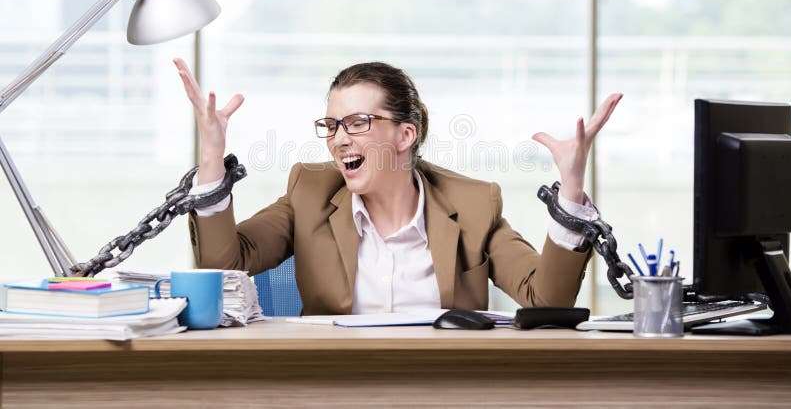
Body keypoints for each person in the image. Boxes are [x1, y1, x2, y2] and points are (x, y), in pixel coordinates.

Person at [174, 59, 622, 315]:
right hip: (332, 391)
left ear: (405, 135)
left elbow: (547, 299)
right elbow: (223, 264)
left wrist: (572, 189)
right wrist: (212, 158)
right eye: (331, 125)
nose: (339, 138)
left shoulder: (472, 204)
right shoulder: (309, 193)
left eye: (357, 122)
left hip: (441, 392)